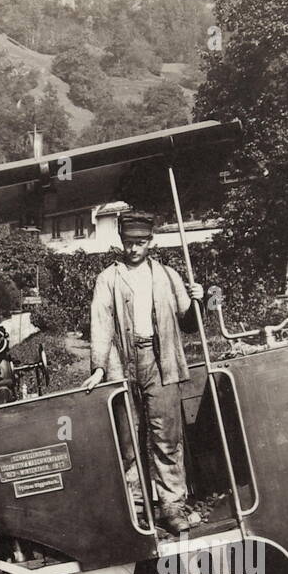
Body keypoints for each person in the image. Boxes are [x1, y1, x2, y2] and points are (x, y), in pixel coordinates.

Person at [81, 210, 203, 535]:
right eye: (129, 242)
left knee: (167, 437)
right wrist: (98, 367)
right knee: (128, 439)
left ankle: (172, 507)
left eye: (140, 242)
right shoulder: (108, 278)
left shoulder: (167, 275)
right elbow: (101, 324)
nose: (134, 249)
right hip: (124, 363)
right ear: (121, 241)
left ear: (151, 241)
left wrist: (197, 301)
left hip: (162, 361)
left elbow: (189, 323)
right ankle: (136, 509)